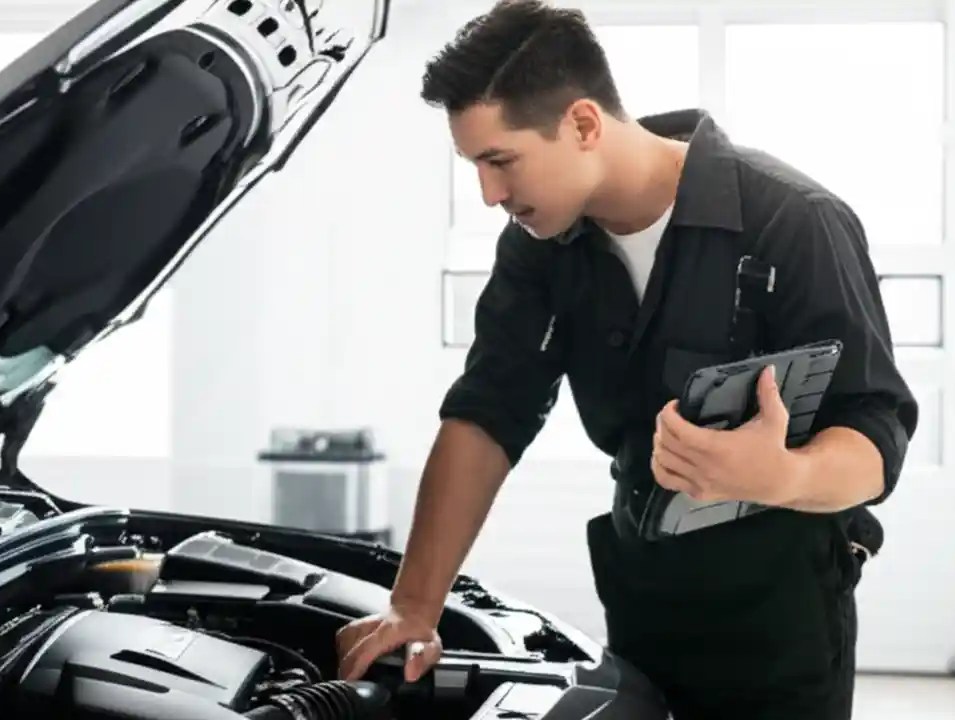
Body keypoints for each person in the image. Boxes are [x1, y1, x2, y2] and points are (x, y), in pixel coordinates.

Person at [334, 1, 919, 718]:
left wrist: (784, 475)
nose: (489, 195)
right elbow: (489, 412)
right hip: (642, 605)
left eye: (500, 161)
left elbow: (875, 435)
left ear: (583, 124)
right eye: (475, 167)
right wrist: (413, 606)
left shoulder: (792, 221)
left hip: (781, 622)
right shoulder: (539, 249)